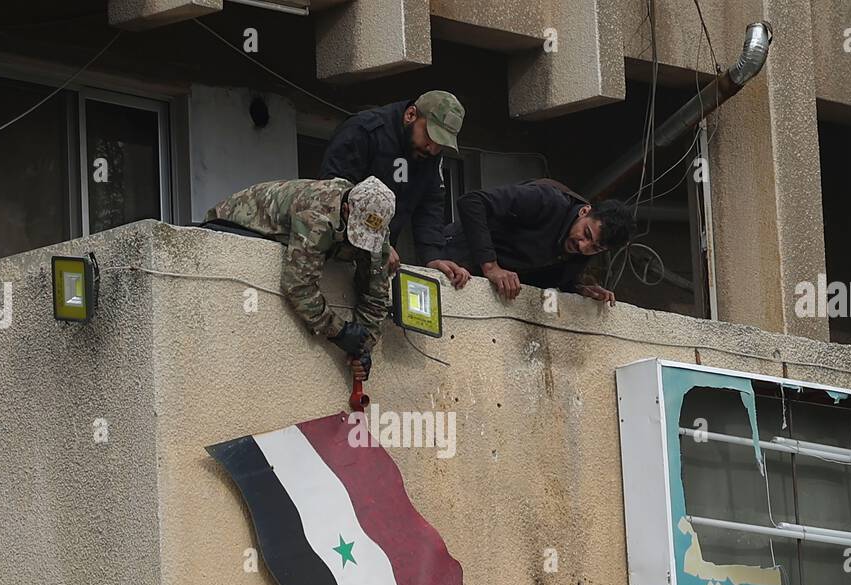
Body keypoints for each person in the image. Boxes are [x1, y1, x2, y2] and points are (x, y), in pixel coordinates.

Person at [204, 176, 395, 380]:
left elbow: (376, 297)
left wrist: (363, 348)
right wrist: (339, 331)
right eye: (359, 233)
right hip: (234, 222)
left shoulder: (375, 223)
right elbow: (297, 285)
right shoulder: (316, 216)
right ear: (347, 209)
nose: (362, 243)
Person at [320, 91, 471, 289]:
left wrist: (433, 256)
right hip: (334, 251)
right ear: (410, 115)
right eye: (430, 136)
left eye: (440, 144)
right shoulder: (364, 129)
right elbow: (334, 191)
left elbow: (430, 204)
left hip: (379, 259)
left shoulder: (430, 155)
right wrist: (378, 240)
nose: (432, 148)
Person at [438, 180, 634, 304]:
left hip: (480, 293)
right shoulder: (547, 200)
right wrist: (491, 266)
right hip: (450, 259)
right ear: (584, 211)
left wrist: (579, 288)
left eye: (595, 247)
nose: (583, 246)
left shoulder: (581, 250)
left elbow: (551, 278)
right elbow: (471, 202)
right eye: (587, 234)